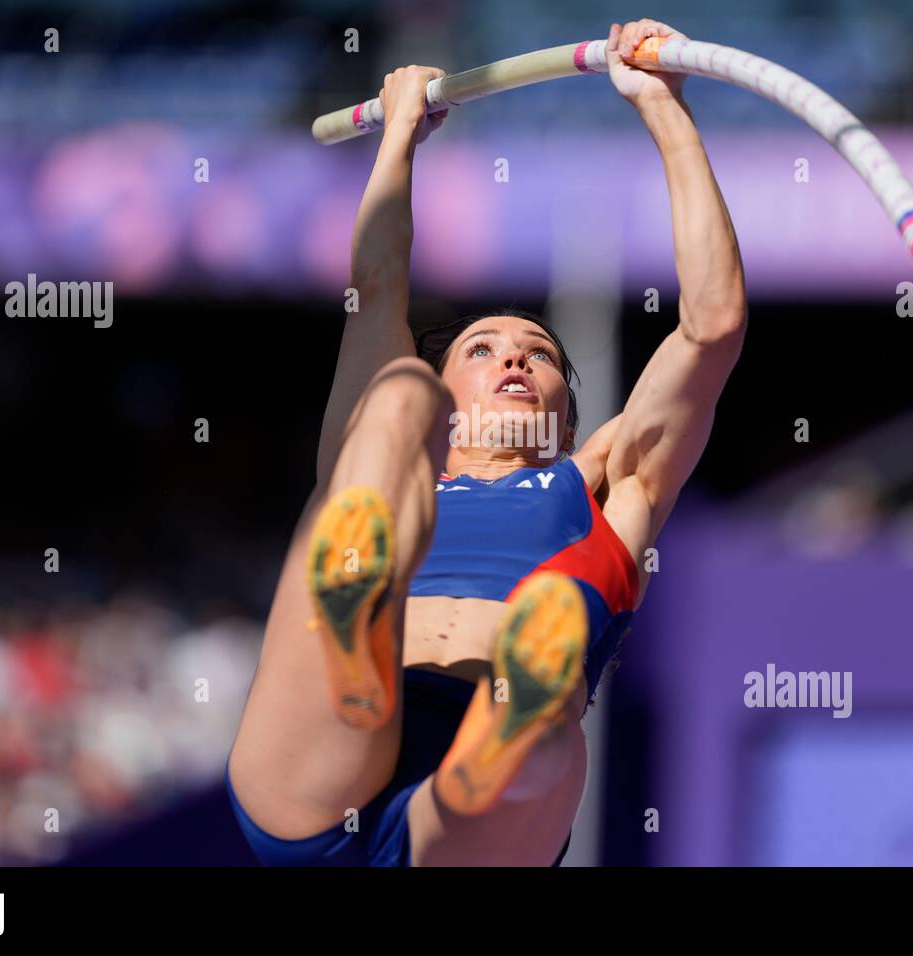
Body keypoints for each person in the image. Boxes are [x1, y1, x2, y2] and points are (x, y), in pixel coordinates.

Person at [227, 19, 747, 866]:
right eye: (483, 348)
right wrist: (398, 135)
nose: (513, 355)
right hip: (318, 764)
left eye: (538, 354)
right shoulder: (394, 463)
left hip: (476, 813)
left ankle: (505, 733)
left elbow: (713, 325)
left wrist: (663, 105)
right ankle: (361, 637)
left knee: (546, 736)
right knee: (394, 398)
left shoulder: (610, 484)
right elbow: (378, 282)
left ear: (567, 419)